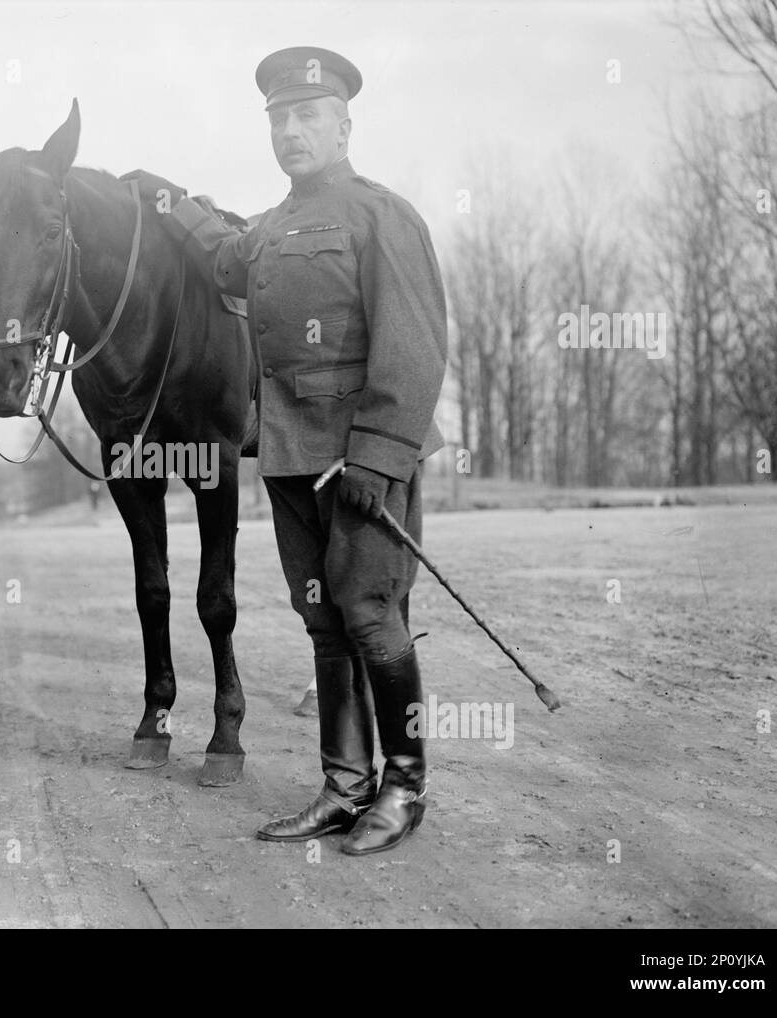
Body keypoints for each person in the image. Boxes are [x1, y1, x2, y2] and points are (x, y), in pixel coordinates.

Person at [126, 46, 447, 855]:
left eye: (309, 114)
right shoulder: (268, 230)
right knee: (324, 624)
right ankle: (345, 788)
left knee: (372, 615)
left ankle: (404, 789)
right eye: (280, 118)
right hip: (290, 456)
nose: (293, 130)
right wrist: (173, 199)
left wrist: (380, 455)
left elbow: (413, 348)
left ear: (343, 124)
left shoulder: (382, 215)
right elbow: (222, 255)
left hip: (360, 459)